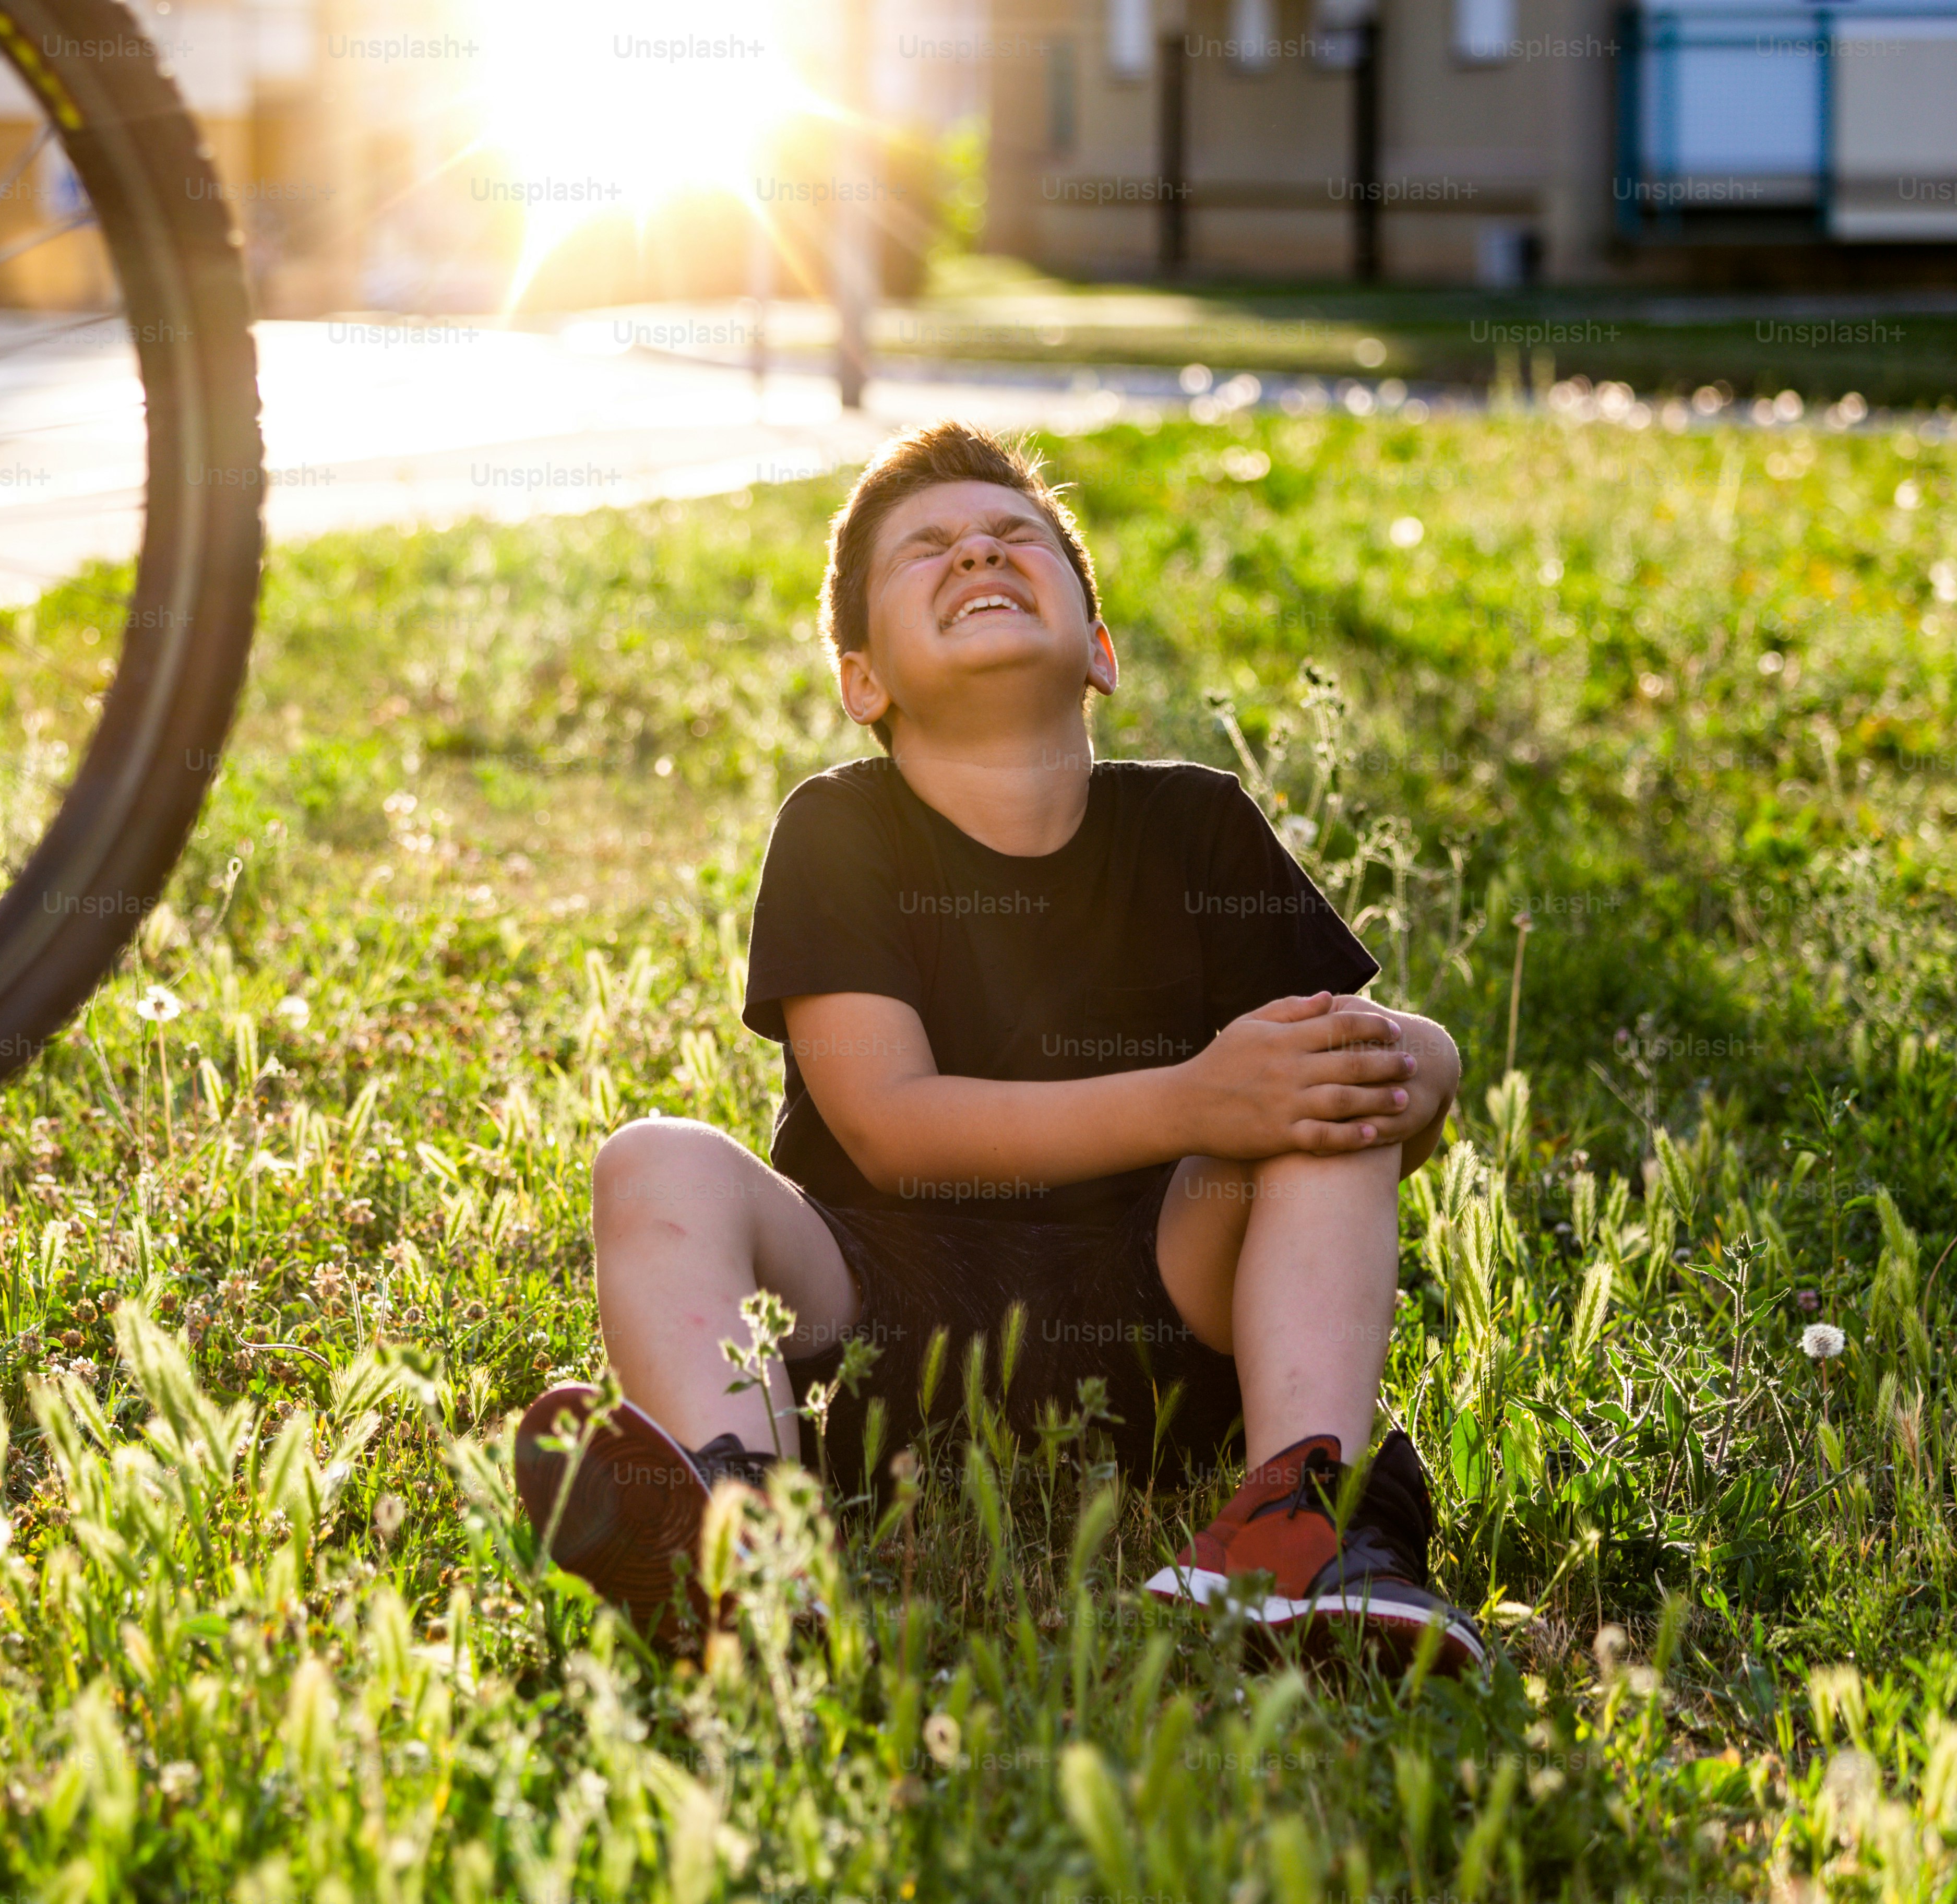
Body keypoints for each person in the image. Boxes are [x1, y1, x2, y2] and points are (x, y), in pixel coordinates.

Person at [514, 420, 1484, 1670]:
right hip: (874, 1324)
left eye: (1015, 536)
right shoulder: (840, 829)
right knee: (654, 1159)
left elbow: (1352, 1069)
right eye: (927, 548)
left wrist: (1413, 1060)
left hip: (1169, 1316)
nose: (976, 545)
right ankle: (742, 1537)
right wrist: (1195, 1098)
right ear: (863, 680)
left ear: (1097, 648)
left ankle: (1295, 1518)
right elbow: (891, 1127)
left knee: (1325, 1093)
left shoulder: (1193, 823)